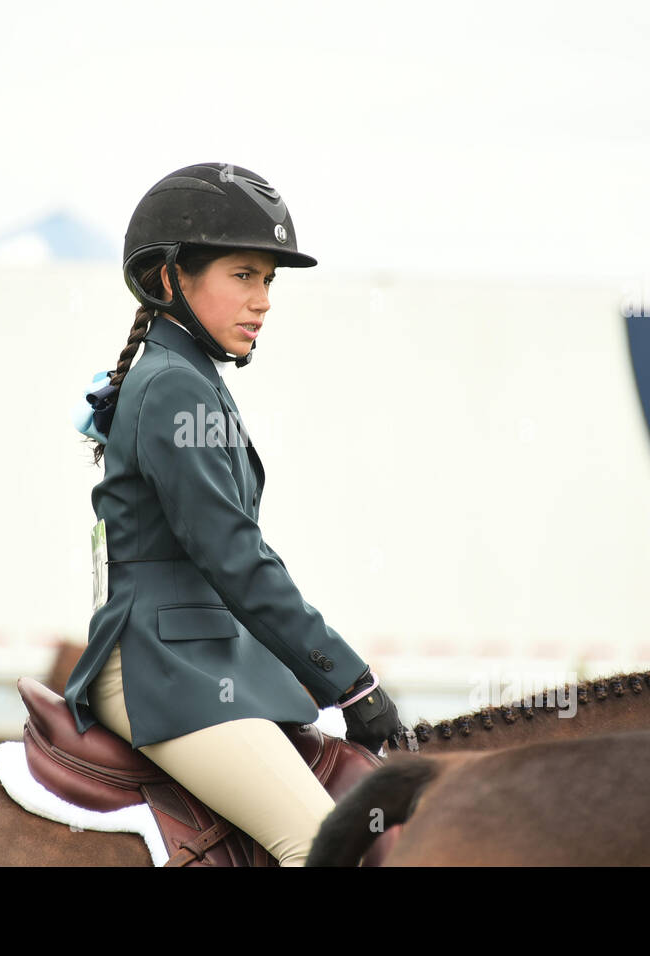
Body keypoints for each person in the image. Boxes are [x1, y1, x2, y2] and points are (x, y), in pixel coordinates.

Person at [65, 162, 401, 866]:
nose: (264, 300)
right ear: (168, 279)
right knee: (323, 848)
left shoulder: (189, 377)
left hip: (201, 660)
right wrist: (351, 681)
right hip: (163, 671)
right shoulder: (174, 388)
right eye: (243, 275)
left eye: (269, 280)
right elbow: (235, 558)